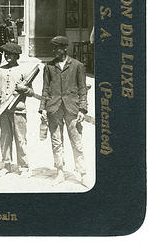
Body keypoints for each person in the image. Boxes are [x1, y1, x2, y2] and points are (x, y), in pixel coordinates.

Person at [40, 36, 89, 187]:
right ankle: (60, 172)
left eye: (58, 48)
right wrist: (42, 108)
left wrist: (82, 108)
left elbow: (82, 88)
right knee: (56, 141)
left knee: (76, 141)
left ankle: (82, 174)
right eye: (53, 48)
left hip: (72, 108)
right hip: (54, 108)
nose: (55, 51)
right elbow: (45, 89)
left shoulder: (77, 65)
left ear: (65, 49)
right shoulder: (48, 67)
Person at [0, 42, 38, 177]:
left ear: (16, 56)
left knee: (20, 139)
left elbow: (31, 93)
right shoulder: (0, 70)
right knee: (5, 138)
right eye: (5, 53)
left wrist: (26, 89)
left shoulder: (23, 71)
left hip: (18, 110)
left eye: (10, 54)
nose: (7, 56)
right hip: (3, 111)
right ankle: (7, 165)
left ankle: (23, 167)